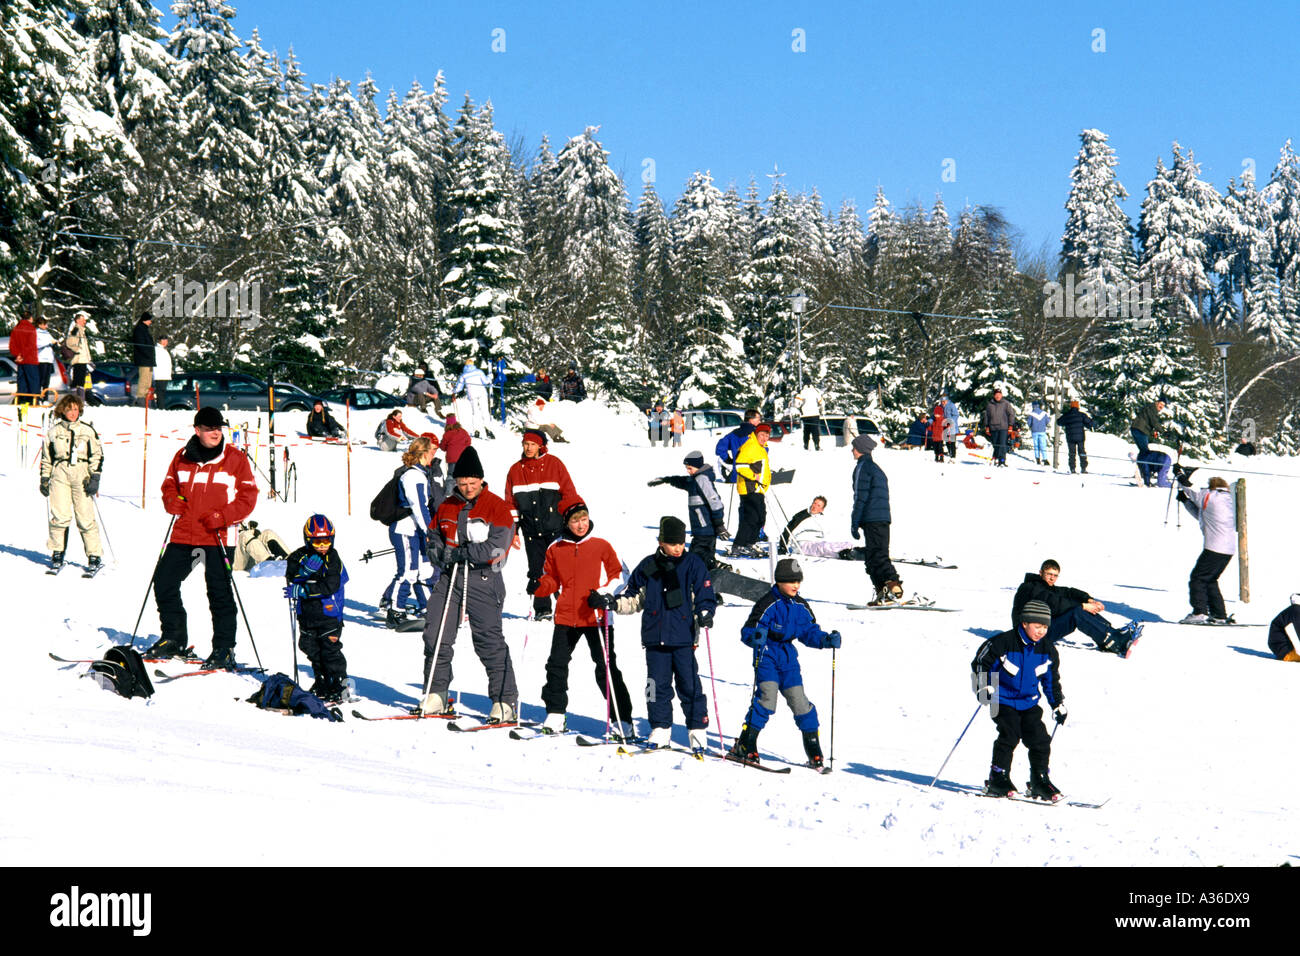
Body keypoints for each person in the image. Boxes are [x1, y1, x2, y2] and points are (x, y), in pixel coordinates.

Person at [147, 407, 258, 669]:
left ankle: (224, 648)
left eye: (219, 428)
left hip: (218, 535)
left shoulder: (235, 459)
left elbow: (248, 497)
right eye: (210, 429)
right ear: (197, 431)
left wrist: (223, 516)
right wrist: (171, 500)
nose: (216, 433)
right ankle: (173, 637)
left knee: (218, 592)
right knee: (164, 582)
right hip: (185, 532)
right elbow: (169, 485)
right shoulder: (182, 457)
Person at [594, 515, 716, 751]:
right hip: (654, 637)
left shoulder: (693, 564)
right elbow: (633, 597)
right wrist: (614, 603)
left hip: (683, 637)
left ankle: (696, 729)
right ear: (661, 542)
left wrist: (705, 612)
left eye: (681, 542)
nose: (678, 548)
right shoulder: (649, 566)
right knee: (655, 686)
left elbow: (705, 594)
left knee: (690, 685)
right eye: (672, 543)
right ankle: (660, 728)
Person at [419, 446, 518, 721]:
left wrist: (466, 552)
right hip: (450, 577)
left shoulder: (497, 507)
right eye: (462, 483)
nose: (467, 488)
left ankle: (504, 700)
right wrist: (437, 551)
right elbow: (434, 535)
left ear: (481, 480)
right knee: (436, 635)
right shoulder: (448, 505)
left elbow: (499, 548)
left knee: (488, 641)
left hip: (483, 580)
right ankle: (436, 693)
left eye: (472, 483)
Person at [529, 501, 634, 737]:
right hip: (567, 615)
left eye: (584, 518)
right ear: (566, 522)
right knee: (556, 665)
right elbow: (552, 579)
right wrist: (539, 586)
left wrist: (605, 594)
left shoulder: (601, 545)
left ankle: (622, 719)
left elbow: (619, 575)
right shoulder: (556, 547)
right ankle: (555, 713)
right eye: (575, 520)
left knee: (606, 668)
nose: (580, 524)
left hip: (596, 615)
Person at [728, 558, 840, 768]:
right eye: (791, 581)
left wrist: (825, 640)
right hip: (767, 655)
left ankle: (813, 749)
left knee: (800, 702)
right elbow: (748, 631)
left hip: (788, 659)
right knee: (767, 699)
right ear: (779, 581)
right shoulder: (768, 603)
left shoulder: (801, 606)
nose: (796, 585)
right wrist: (756, 637)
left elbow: (809, 632)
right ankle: (746, 744)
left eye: (798, 581)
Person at [971, 599, 1067, 801]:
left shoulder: (1047, 650)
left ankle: (1039, 780)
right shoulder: (1002, 643)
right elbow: (981, 662)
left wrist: (1057, 703)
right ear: (1024, 623)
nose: (1041, 631)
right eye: (1037, 626)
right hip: (1001, 699)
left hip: (1029, 702)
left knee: (1040, 739)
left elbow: (1051, 680)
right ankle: (998, 777)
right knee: (1010, 734)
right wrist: (984, 686)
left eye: (1045, 627)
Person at [503, 428, 580, 620]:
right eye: (526, 444)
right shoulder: (515, 470)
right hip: (531, 530)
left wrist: (575, 521)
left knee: (560, 568)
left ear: (540, 446)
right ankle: (542, 609)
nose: (528, 448)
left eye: (532, 444)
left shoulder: (554, 464)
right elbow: (510, 505)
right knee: (537, 569)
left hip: (555, 528)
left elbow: (569, 493)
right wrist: (513, 532)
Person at [1011, 559, 1140, 657]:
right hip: (1028, 635)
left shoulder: (1047, 587)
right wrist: (1083, 605)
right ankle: (1115, 643)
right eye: (1049, 574)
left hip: (1040, 629)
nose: (1052, 578)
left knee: (1077, 607)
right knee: (1076, 612)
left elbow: (1068, 592)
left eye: (1055, 575)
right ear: (1040, 573)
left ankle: (1112, 634)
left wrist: (1088, 599)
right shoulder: (1030, 587)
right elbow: (1054, 603)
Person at [285, 514, 351, 701]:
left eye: (326, 541)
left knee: (329, 649)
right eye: (317, 542)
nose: (322, 546)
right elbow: (290, 576)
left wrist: (305, 589)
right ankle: (321, 681)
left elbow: (330, 585)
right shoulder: (299, 556)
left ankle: (339, 684)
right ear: (308, 540)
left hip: (329, 613)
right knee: (309, 647)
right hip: (306, 614)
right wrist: (302, 574)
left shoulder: (333, 557)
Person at [381, 435, 443, 627]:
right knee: (407, 571)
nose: (433, 455)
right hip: (405, 528)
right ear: (423, 454)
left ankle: (427, 609)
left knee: (419, 571)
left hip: (413, 529)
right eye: (430, 451)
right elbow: (419, 506)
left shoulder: (419, 474)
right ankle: (395, 610)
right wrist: (430, 531)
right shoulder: (414, 476)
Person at [39, 393, 104, 573]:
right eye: (69, 409)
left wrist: (95, 477)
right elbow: (47, 458)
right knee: (59, 516)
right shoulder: (54, 432)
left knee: (85, 517)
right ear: (63, 411)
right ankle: (58, 552)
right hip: (60, 473)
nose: (73, 413)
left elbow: (97, 455)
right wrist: (45, 478)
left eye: (76, 409)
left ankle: (94, 555)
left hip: (81, 473)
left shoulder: (87, 431)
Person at [648, 451, 728, 569]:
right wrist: (666, 480)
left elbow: (715, 502)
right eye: (687, 468)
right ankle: (710, 575)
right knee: (703, 555)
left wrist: (719, 525)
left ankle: (718, 567)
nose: (688, 471)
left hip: (705, 528)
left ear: (698, 466)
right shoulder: (694, 479)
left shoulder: (702, 479)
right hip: (702, 529)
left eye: (690, 468)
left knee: (696, 555)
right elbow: (682, 481)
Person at [849, 434, 902, 605]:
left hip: (872, 519)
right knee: (873, 557)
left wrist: (854, 522)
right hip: (882, 518)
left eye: (854, 448)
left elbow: (860, 497)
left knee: (877, 556)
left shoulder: (863, 467)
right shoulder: (876, 468)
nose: (852, 451)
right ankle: (883, 593)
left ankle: (893, 585)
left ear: (860, 450)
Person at [1177, 475, 1236, 624]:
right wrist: (1185, 501)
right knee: (1210, 580)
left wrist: (1179, 476)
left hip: (1215, 547)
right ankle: (1219, 614)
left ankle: (1199, 612)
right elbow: (1201, 516)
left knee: (1197, 578)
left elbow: (1193, 490)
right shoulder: (1225, 500)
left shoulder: (1213, 497)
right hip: (1227, 549)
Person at [731, 423, 771, 557]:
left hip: (758, 489)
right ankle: (739, 545)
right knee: (751, 519)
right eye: (762, 435)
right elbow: (740, 466)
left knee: (760, 518)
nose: (764, 438)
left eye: (767, 435)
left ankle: (750, 543)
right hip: (749, 488)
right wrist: (755, 477)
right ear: (756, 434)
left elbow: (760, 466)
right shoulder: (750, 446)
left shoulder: (760, 447)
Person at [8, 303, 40, 406]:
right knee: (33, 381)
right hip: (29, 359)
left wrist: (17, 355)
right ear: (30, 318)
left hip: (20, 361)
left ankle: (22, 401)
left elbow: (12, 344)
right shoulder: (31, 328)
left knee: (22, 382)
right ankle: (33, 402)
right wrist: (23, 355)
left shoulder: (16, 328)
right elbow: (30, 345)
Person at [452, 361, 494, 438]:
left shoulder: (463, 375)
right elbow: (486, 381)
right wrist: (490, 376)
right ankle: (488, 430)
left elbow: (459, 387)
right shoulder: (479, 372)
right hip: (482, 393)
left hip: (472, 394)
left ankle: (476, 431)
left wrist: (454, 391)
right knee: (485, 411)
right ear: (473, 365)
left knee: (475, 412)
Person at [715, 408, 759, 481]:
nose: (759, 421)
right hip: (753, 475)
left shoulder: (734, 434)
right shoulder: (756, 434)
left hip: (737, 475)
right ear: (751, 419)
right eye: (758, 418)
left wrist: (727, 459)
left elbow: (720, 447)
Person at [1130, 399, 1165, 487]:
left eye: (1163, 406)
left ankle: (1143, 473)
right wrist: (1163, 431)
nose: (1161, 407)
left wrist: (1153, 431)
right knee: (1145, 453)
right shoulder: (1152, 408)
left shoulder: (1152, 408)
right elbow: (1153, 421)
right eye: (1160, 404)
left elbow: (1149, 421)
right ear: (1157, 403)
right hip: (1140, 430)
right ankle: (1144, 475)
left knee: (1143, 452)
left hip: (1139, 429)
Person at [980, 387, 1016, 467]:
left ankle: (1002, 461)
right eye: (996, 395)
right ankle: (996, 458)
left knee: (1002, 444)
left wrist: (1010, 425)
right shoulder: (990, 405)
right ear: (994, 395)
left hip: (1003, 427)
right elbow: (987, 416)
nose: (997, 396)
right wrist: (987, 426)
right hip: (993, 428)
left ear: (1001, 395)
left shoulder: (1006, 403)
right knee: (995, 444)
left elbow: (1011, 414)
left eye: (999, 394)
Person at [1057, 400, 1093, 474]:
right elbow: (1089, 424)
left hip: (1070, 437)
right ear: (1077, 407)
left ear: (1071, 407)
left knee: (1072, 453)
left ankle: (1072, 468)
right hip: (1080, 437)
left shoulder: (1067, 415)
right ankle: (1083, 468)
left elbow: (1059, 422)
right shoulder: (1082, 415)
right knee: (1082, 451)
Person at [64, 310, 93, 401]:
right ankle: (76, 399)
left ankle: (79, 400)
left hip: (83, 360)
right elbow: (69, 342)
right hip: (78, 359)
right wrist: (77, 350)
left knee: (81, 381)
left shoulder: (81, 331)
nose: (85, 322)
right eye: (83, 320)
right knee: (78, 381)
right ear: (77, 321)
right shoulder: (76, 330)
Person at [439, 413, 471, 493]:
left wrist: (447, 448)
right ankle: (465, 492)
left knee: (451, 475)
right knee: (464, 475)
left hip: (452, 458)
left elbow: (443, 447)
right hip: (464, 458)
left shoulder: (447, 434)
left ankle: (449, 492)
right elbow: (468, 442)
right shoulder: (463, 432)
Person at [1266, 596, 1300, 662]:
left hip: (1287, 649)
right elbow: (1294, 634)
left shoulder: (1295, 610)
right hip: (1285, 650)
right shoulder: (1296, 611)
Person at [131, 311, 155, 407]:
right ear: (145, 320)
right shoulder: (139, 330)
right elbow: (140, 345)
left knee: (148, 382)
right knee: (144, 381)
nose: (150, 322)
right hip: (144, 360)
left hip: (149, 361)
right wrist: (148, 354)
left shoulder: (145, 329)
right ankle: (141, 401)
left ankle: (146, 401)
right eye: (149, 320)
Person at [796, 383, 825, 450]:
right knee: (815, 430)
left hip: (805, 415)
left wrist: (801, 406)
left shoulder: (802, 391)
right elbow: (821, 402)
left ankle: (806, 445)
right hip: (815, 414)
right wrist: (820, 408)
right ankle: (817, 445)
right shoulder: (815, 391)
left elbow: (797, 403)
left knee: (806, 430)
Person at [34, 315, 55, 398]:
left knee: (47, 381)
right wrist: (48, 343)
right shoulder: (36, 333)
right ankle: (38, 397)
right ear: (40, 325)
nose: (46, 326)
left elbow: (52, 341)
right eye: (44, 324)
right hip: (41, 359)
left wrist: (55, 343)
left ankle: (45, 397)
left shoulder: (47, 333)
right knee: (41, 380)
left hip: (49, 359)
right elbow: (37, 345)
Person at [1028, 401, 1051, 466]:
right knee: (1043, 445)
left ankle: (1037, 459)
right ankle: (1045, 458)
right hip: (1042, 431)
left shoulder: (1031, 414)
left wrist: (1031, 426)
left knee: (1036, 445)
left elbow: (1029, 423)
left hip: (1034, 431)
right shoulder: (1044, 413)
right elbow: (1047, 421)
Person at [153, 334, 173, 404]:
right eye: (163, 340)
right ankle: (160, 408)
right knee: (160, 393)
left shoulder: (164, 350)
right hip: (159, 375)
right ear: (159, 341)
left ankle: (161, 407)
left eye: (166, 340)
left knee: (162, 393)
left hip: (165, 375)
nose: (165, 342)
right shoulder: (157, 349)